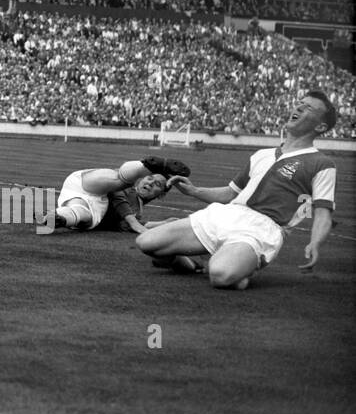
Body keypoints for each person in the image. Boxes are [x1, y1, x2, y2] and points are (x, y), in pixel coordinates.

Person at [136, 91, 338, 289]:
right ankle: (191, 263)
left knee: (220, 276)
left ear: (320, 126)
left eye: (308, 107)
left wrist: (315, 243)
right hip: (227, 214)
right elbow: (231, 194)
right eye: (300, 102)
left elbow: (322, 213)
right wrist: (194, 191)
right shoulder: (262, 154)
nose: (299, 106)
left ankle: (239, 265)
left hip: (260, 229)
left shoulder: (321, 163)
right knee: (145, 242)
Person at [37, 157, 189, 233]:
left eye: (157, 184)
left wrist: (164, 223)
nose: (150, 183)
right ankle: (147, 165)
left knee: (81, 212)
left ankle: (56, 218)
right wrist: (133, 221)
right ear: (143, 178)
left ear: (161, 195)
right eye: (150, 178)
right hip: (89, 183)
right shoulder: (129, 193)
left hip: (92, 207)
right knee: (120, 181)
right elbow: (117, 196)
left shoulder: (137, 212)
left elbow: (125, 226)